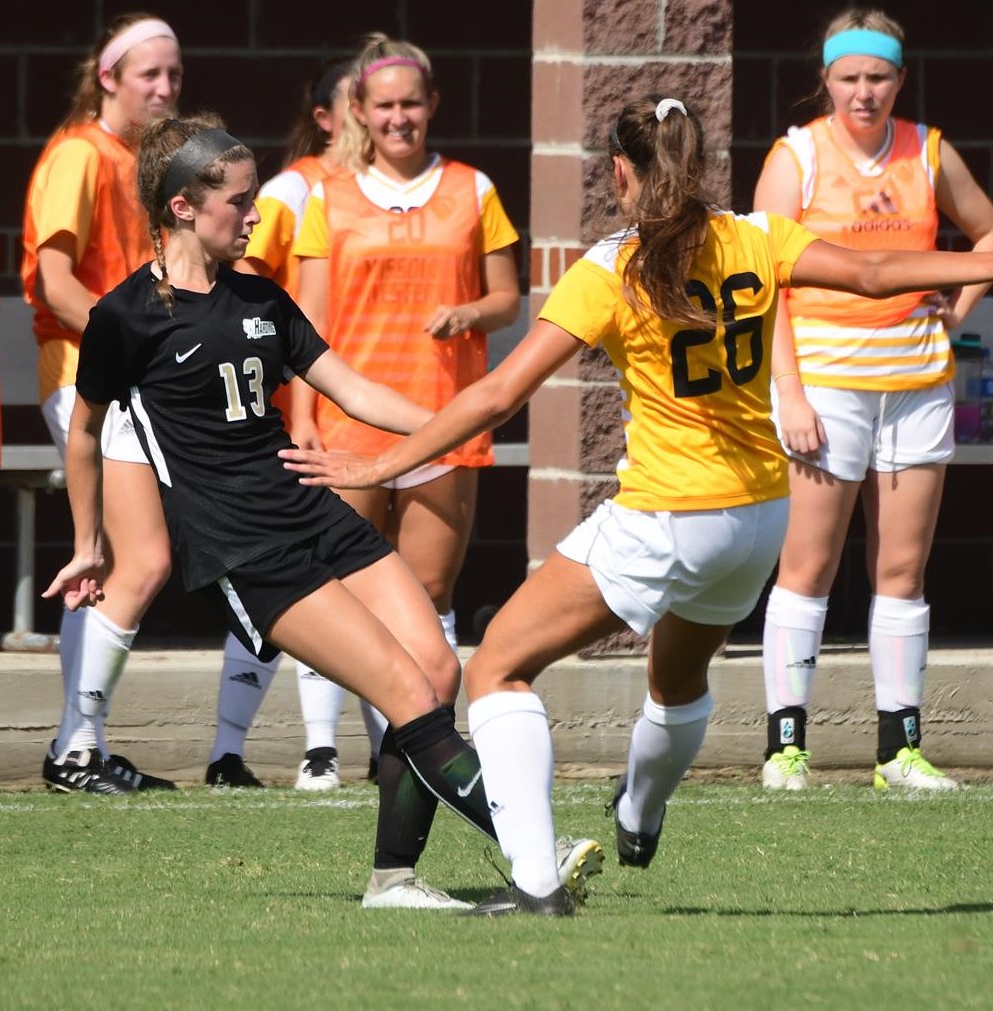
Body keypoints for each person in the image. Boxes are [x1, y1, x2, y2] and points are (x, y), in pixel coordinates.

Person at [284, 96, 993, 914]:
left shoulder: (613, 264)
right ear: (697, 164)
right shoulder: (756, 234)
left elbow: (501, 392)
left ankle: (539, 880)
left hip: (664, 517)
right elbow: (871, 274)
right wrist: (992, 262)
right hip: (759, 517)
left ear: (619, 170)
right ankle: (638, 811)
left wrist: (385, 457)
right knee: (677, 679)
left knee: (496, 668)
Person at [45, 113, 601, 909]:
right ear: (181, 208)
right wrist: (88, 540)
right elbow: (84, 429)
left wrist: (459, 419)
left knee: (436, 672)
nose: (254, 215)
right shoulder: (126, 317)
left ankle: (392, 879)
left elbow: (355, 390)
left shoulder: (259, 298)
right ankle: (534, 854)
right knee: (406, 693)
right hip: (240, 547)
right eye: (237, 202)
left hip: (309, 510)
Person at [752, 9, 993, 793]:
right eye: (848, 77)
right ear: (824, 79)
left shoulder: (929, 150)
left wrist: (954, 312)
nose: (863, 93)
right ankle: (784, 747)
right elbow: (759, 284)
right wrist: (788, 392)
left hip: (917, 385)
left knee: (901, 569)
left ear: (900, 78)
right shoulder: (795, 155)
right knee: (807, 564)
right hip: (825, 387)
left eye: (878, 77)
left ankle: (897, 750)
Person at [290, 35, 521, 790]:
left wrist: (468, 313)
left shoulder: (472, 188)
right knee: (339, 590)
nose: (399, 118)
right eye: (384, 104)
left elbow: (507, 296)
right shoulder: (329, 196)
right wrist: (300, 415)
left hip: (440, 418)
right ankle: (321, 752)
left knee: (427, 593)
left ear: (433, 106)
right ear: (357, 110)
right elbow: (306, 326)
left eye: (411, 103)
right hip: (348, 423)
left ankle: (410, 747)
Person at [21, 14, 220, 792]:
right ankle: (74, 748)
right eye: (149, 75)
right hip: (85, 371)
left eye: (174, 75)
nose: (166, 89)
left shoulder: (150, 160)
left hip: (134, 374)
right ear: (107, 78)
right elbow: (53, 280)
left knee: (104, 568)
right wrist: (134, 341)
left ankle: (82, 745)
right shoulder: (79, 152)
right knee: (139, 561)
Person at [233, 56, 387, 791]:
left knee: (385, 585)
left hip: (371, 400)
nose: (377, 115)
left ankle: (386, 743)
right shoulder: (294, 189)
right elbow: (244, 286)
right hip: (303, 411)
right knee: (295, 579)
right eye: (361, 102)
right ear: (329, 115)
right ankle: (294, 747)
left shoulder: (405, 188)